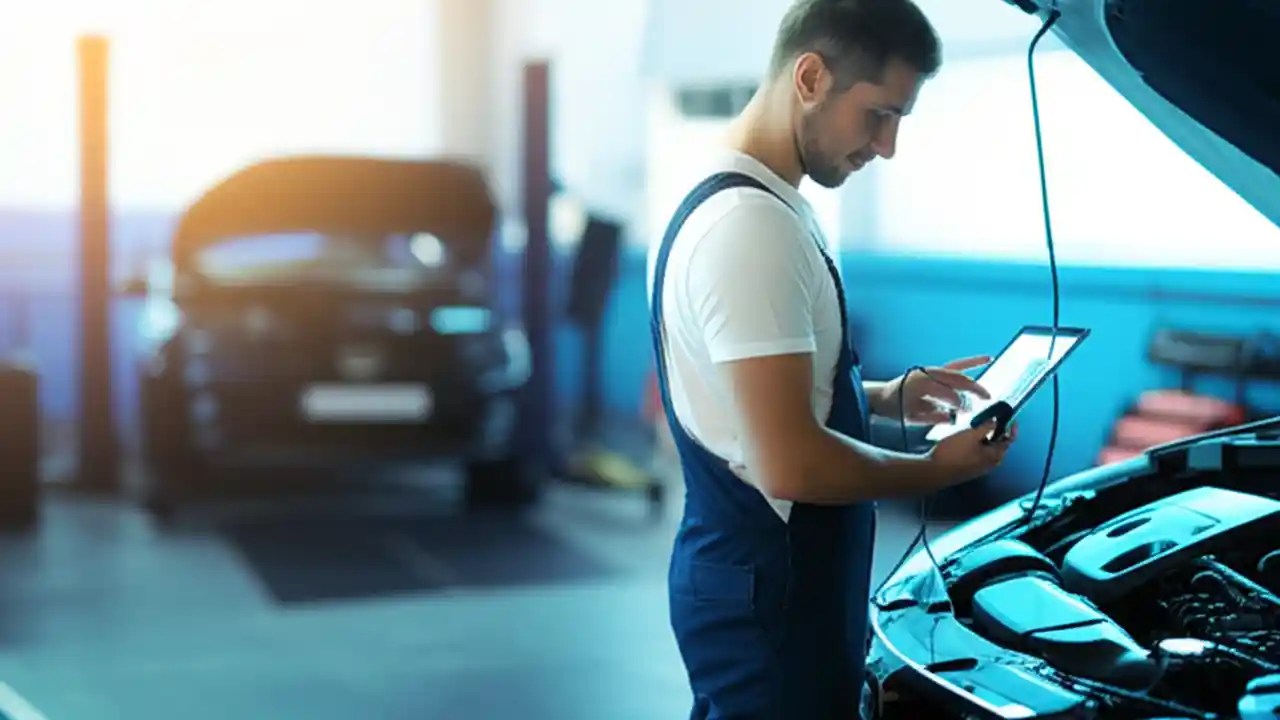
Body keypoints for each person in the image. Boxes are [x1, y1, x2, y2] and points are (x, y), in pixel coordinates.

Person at [646, 1, 1019, 718]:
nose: (887, 146)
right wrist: (935, 470)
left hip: (774, 587)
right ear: (811, 77)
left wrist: (881, 396)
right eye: (879, 114)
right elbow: (790, 463)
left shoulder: (759, 202)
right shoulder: (750, 227)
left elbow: (745, 396)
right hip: (772, 597)